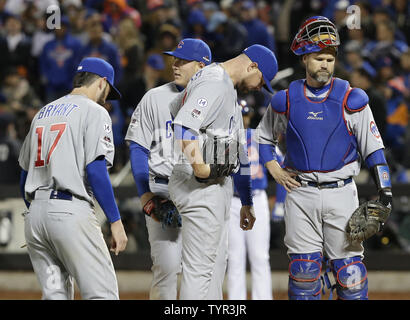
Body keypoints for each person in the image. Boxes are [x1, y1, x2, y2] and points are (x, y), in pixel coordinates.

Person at [256, 16, 393, 300]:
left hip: (341, 193)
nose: (325, 65)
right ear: (305, 59)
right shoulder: (286, 99)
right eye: (319, 58)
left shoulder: (351, 99)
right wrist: (274, 169)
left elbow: (374, 150)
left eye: (330, 59)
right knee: (304, 274)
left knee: (350, 276)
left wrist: (386, 192)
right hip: (301, 193)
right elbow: (262, 139)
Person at [168, 43, 278, 300]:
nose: (260, 87)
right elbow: (183, 125)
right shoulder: (215, 80)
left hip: (215, 184)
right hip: (200, 185)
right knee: (201, 271)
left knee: (216, 267)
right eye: (262, 80)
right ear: (252, 66)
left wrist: (247, 201)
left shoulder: (225, 88)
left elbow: (238, 154)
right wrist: (200, 166)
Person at [18, 57, 128, 300]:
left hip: (35, 219)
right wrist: (116, 221)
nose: (106, 99)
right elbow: (96, 170)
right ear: (101, 82)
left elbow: (24, 175)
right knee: (102, 295)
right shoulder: (95, 112)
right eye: (107, 91)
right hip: (69, 213)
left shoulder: (43, 113)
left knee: (55, 296)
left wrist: (41, 212)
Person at [125, 38, 212, 300]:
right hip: (163, 191)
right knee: (166, 268)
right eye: (174, 59)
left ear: (202, 66)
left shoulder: (216, 100)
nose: (175, 64)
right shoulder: (155, 97)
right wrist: (146, 196)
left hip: (202, 193)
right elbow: (138, 148)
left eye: (183, 60)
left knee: (203, 272)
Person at [227, 101, 272, 300]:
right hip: (233, 201)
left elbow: (277, 167)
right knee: (235, 259)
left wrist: (279, 200)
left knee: (260, 257)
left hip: (257, 200)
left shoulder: (259, 136)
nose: (243, 119)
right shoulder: (224, 137)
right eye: (240, 114)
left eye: (246, 114)